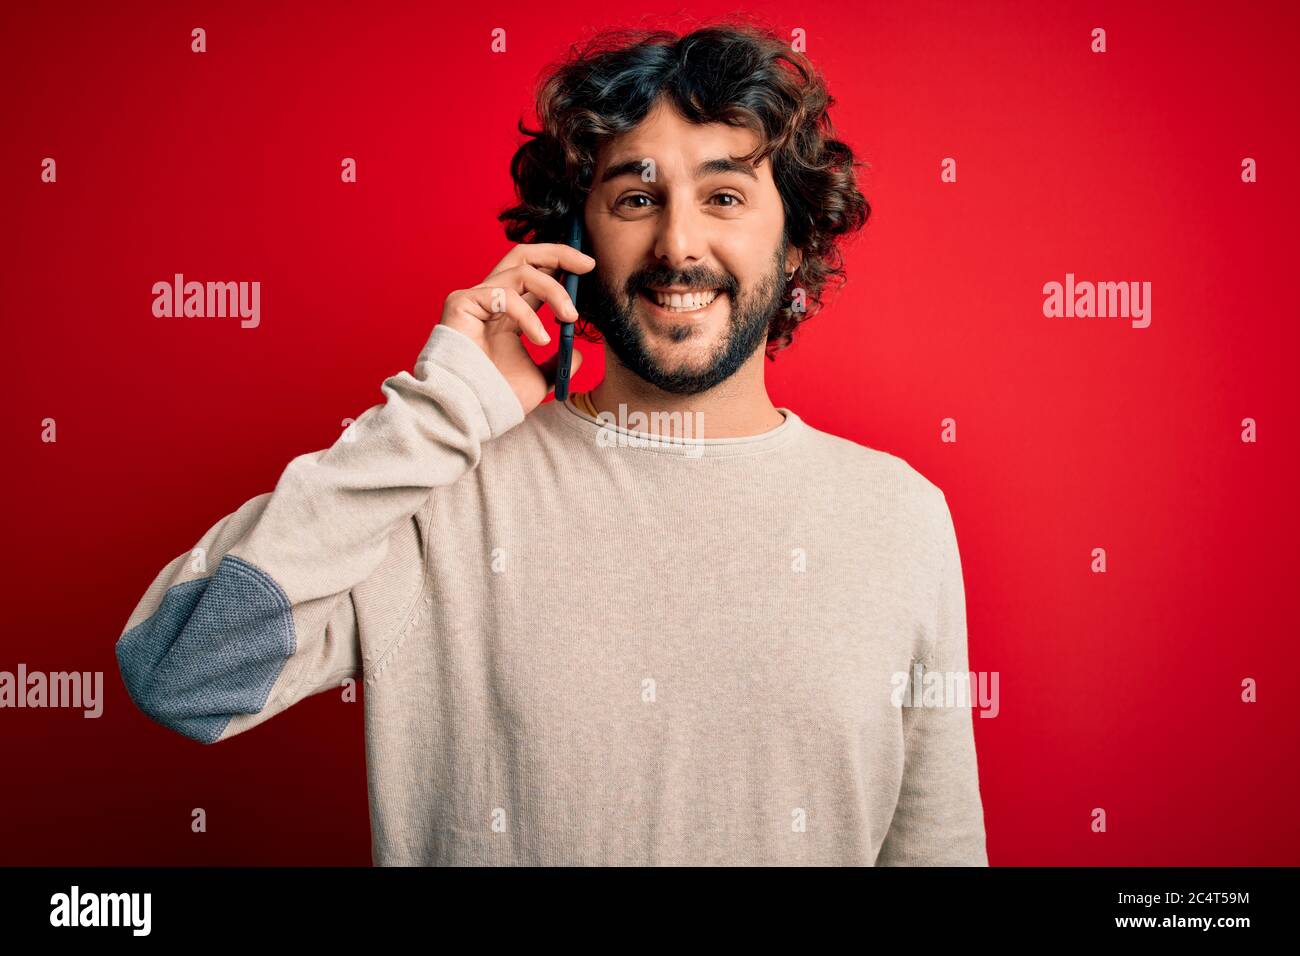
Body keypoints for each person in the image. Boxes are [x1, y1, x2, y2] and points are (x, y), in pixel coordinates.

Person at [115, 21, 988, 866]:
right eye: (636, 199)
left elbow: (936, 848)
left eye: (725, 196)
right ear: (574, 241)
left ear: (796, 243)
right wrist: (439, 412)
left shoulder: (900, 518)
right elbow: (179, 675)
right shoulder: (442, 493)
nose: (679, 243)